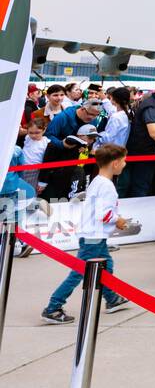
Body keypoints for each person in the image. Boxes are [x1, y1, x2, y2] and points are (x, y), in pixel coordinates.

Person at [39, 143, 133, 324]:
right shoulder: (107, 186)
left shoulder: (97, 181)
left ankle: (112, 298)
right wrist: (118, 220)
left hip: (93, 235)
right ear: (115, 163)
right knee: (78, 272)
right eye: (123, 161)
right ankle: (53, 307)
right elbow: (103, 214)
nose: (125, 164)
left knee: (106, 265)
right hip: (94, 236)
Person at [40, 99, 106, 201]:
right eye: (90, 114)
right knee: (54, 195)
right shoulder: (62, 118)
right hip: (57, 160)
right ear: (83, 109)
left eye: (96, 115)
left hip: (75, 163)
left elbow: (90, 138)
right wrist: (62, 144)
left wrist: (87, 148)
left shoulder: (93, 120)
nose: (92, 118)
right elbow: (48, 136)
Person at [21, 118, 49, 193]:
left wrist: (43, 182)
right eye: (31, 132)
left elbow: (47, 163)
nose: (33, 135)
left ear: (44, 130)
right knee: (20, 191)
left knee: (30, 192)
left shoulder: (46, 143)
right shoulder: (27, 138)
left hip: (34, 171)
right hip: (20, 168)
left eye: (37, 133)